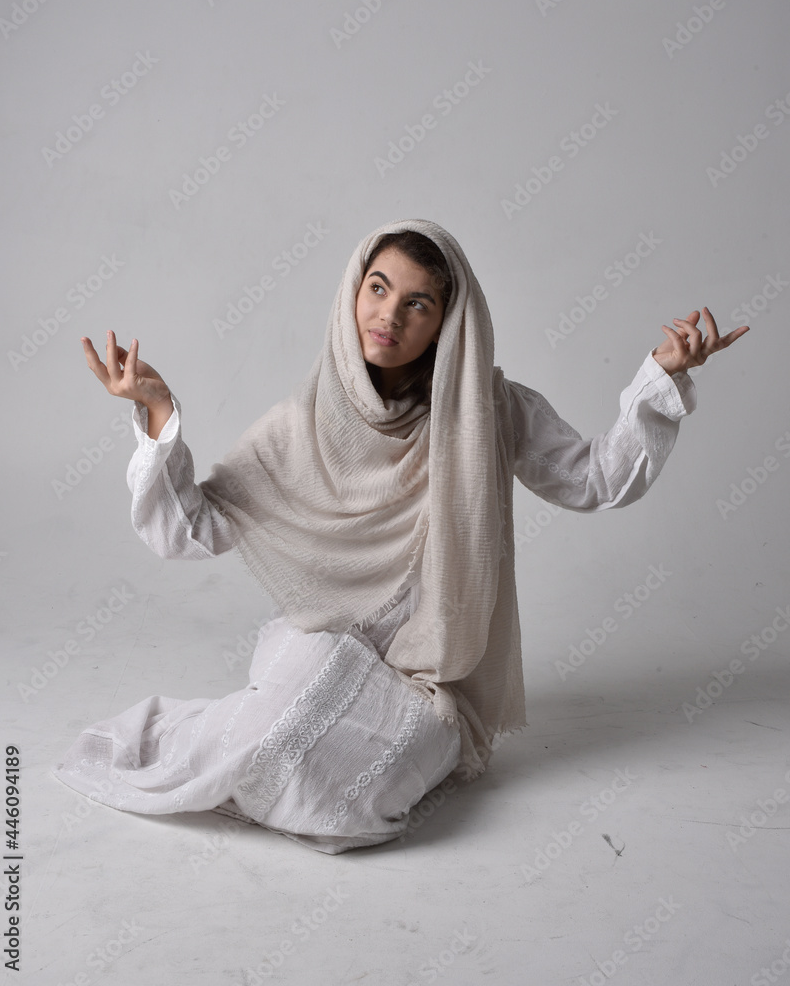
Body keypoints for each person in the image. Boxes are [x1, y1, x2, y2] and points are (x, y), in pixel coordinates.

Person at [52, 219, 749, 855]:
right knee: (275, 741)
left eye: (419, 302)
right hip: (321, 638)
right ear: (353, 293)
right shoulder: (304, 422)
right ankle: (195, 740)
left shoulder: (491, 408)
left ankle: (282, 748)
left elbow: (598, 479)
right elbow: (190, 531)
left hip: (429, 681)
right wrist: (158, 415)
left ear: (448, 322)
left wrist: (661, 378)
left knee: (349, 803)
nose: (389, 315)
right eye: (378, 288)